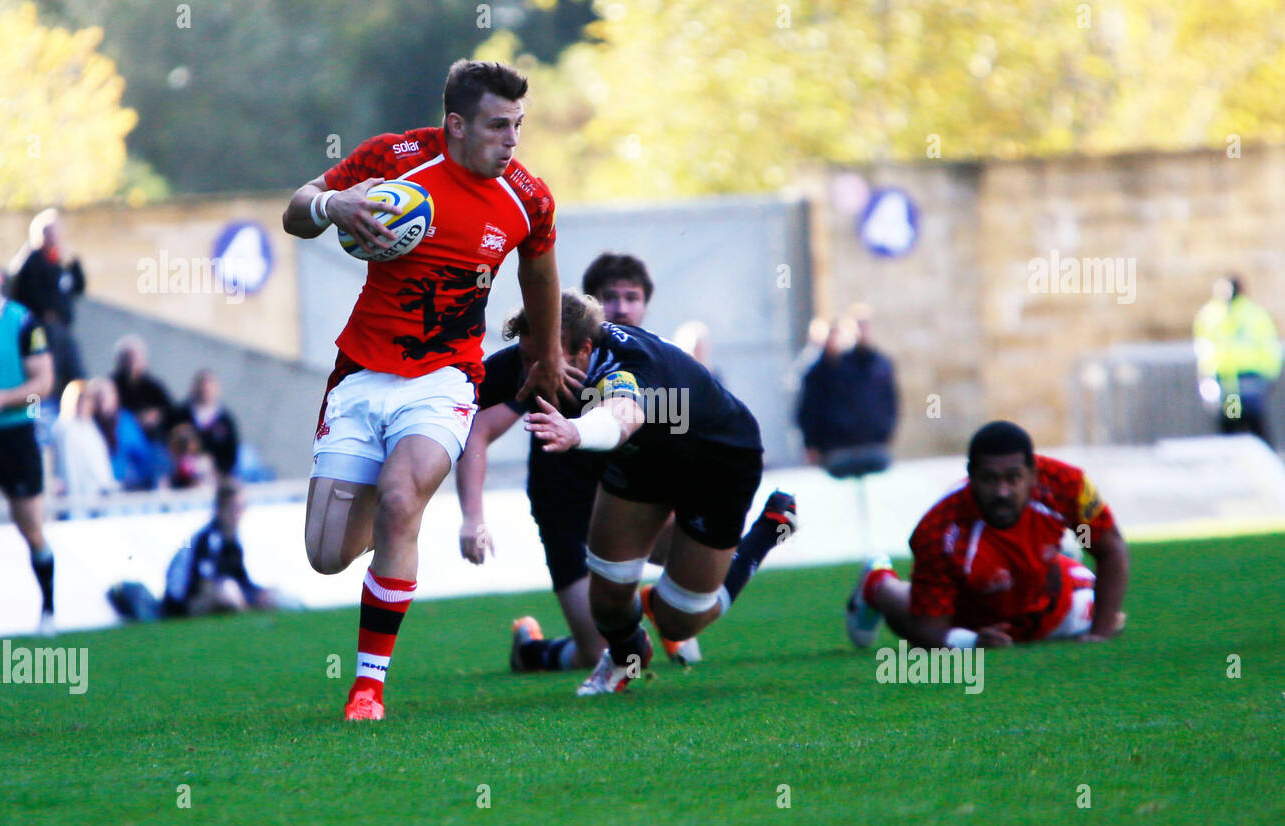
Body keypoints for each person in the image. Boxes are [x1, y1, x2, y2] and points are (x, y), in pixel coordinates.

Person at [282, 58, 564, 721]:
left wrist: (546, 354)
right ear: (456, 125)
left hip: (443, 378)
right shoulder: (393, 158)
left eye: (518, 126)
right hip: (361, 372)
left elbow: (541, 276)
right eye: (498, 127)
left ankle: (368, 688)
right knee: (326, 556)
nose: (512, 141)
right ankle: (391, 512)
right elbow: (297, 214)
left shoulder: (529, 197)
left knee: (403, 496)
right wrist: (334, 204)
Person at [460, 254, 795, 673]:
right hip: (581, 496)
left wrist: (576, 433)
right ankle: (616, 656)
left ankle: (758, 538)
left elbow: (623, 414)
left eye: (630, 297)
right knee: (600, 630)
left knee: (681, 614)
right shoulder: (537, 355)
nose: (531, 369)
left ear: (586, 343)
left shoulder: (629, 364)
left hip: (715, 465)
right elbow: (460, 409)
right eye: (610, 297)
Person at [845, 421, 1130, 650]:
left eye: (1013, 478)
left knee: (1105, 612)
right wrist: (969, 641)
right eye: (990, 479)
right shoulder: (940, 529)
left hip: (1046, 593)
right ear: (971, 475)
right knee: (920, 622)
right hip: (971, 609)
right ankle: (878, 584)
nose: (1002, 492)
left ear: (1033, 474)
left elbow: (1111, 549)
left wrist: (1100, 633)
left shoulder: (1067, 484)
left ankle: (1060, 566)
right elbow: (927, 629)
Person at [0, 249, 58, 633]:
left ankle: (48, 608)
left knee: (30, 527)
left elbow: (43, 387)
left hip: (15, 433)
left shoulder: (23, 323)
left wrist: (3, 400)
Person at [796, 304, 898, 477]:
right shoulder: (817, 372)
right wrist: (812, 444)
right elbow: (808, 410)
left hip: (870, 447)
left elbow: (885, 400)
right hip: (835, 451)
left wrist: (883, 433)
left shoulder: (868, 365)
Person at [162, 479, 277, 616]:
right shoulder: (206, 540)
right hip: (184, 604)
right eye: (234, 508)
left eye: (241, 508)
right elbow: (204, 583)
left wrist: (258, 593)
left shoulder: (233, 541)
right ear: (220, 510)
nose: (238, 515)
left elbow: (240, 578)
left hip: (208, 595)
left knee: (270, 596)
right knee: (228, 591)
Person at [1193, 275, 1282, 447]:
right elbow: (1205, 350)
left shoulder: (1249, 314)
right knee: (1234, 433)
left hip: (1248, 384)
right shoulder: (1213, 315)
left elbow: (1268, 347)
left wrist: (1269, 377)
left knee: (1254, 432)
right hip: (1232, 386)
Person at [8, 209, 86, 403]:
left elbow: (78, 286)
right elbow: (20, 290)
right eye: (48, 233)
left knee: (75, 374)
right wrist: (44, 313)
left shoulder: (60, 262)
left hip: (64, 329)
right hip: (43, 330)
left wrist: (73, 262)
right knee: (48, 378)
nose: (53, 238)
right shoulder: (31, 260)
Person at [50, 379, 118, 506]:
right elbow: (67, 465)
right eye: (80, 400)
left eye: (87, 400)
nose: (84, 404)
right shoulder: (64, 428)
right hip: (74, 495)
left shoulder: (91, 428)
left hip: (96, 494)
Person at [168, 369, 240, 476]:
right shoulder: (181, 414)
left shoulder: (225, 420)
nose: (205, 390)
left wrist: (217, 471)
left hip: (214, 474)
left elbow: (231, 452)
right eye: (202, 386)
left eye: (209, 387)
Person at [111, 334, 174, 446]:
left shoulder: (154, 387)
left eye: (135, 358)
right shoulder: (111, 385)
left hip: (149, 440)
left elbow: (169, 411)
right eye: (128, 358)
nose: (132, 362)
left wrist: (155, 417)